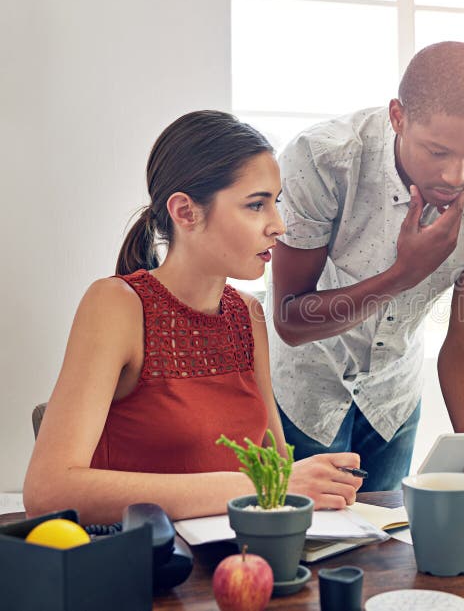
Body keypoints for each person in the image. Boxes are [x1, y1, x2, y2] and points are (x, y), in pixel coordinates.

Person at [23, 110, 362, 524]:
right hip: (146, 569)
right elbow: (48, 492)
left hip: (237, 557)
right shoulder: (116, 306)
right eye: (256, 205)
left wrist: (318, 483)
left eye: (277, 203)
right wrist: (258, 487)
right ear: (185, 212)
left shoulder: (248, 314)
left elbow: (274, 470)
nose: (278, 225)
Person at [269, 41, 464, 497]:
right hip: (305, 393)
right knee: (310, 554)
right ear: (398, 117)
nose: (457, 175)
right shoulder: (321, 160)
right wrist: (402, 274)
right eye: (438, 152)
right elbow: (291, 321)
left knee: (385, 553)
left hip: (391, 403)